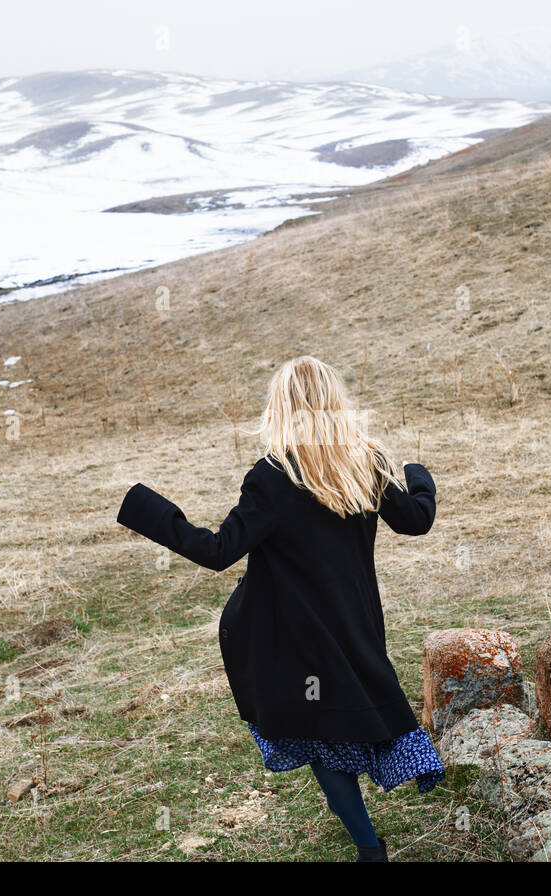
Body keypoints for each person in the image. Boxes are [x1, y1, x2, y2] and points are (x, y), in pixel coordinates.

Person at [117, 355, 442, 861]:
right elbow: (417, 519)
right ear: (335, 403)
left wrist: (143, 507)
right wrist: (417, 475)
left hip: (295, 636)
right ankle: (369, 841)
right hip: (354, 627)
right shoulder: (366, 463)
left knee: (319, 737)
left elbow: (217, 550)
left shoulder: (273, 476)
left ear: (281, 407)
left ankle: (369, 849)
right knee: (338, 724)